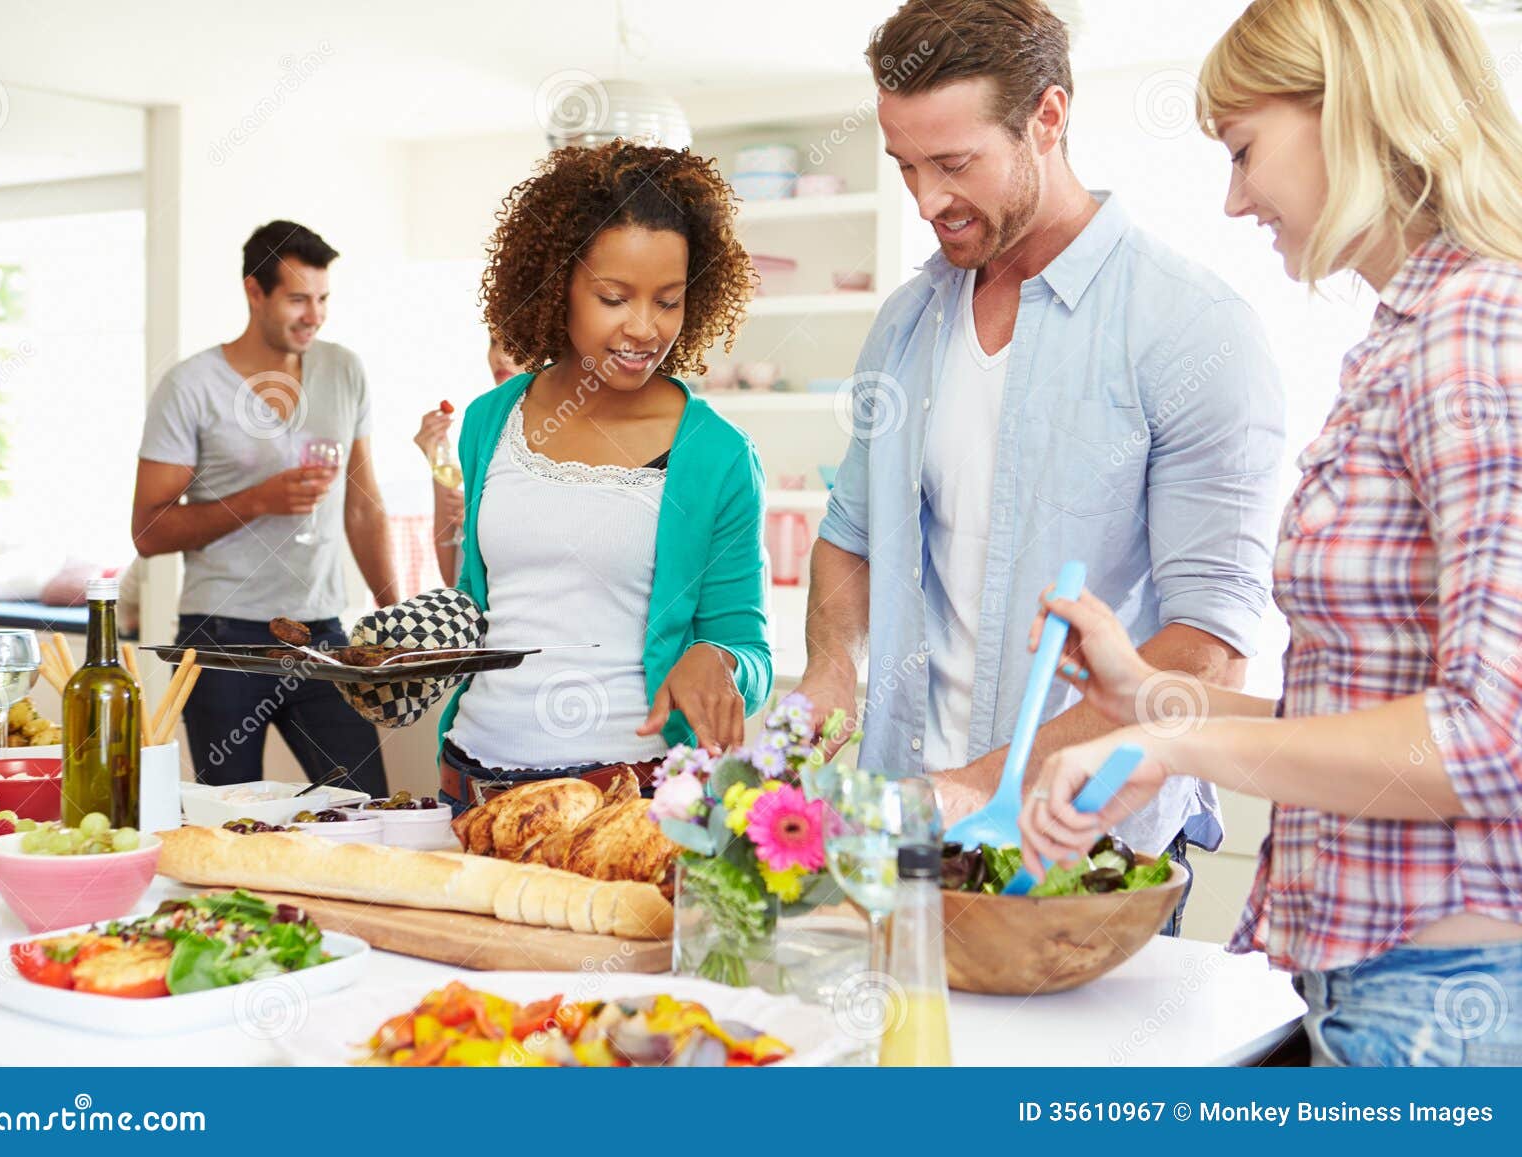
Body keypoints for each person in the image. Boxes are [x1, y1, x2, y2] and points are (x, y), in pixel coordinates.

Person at [1024, 0, 1522, 1066]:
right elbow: (1376, 710)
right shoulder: (1404, 340)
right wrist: (1154, 697)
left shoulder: (1477, 331)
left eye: (1246, 149)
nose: (1235, 196)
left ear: (1352, 110)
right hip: (1389, 988)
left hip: (1453, 1005)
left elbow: (1493, 736)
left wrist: (1172, 743)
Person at [793, 0, 1285, 932]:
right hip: (908, 834)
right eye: (905, 165)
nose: (927, 199)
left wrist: (982, 787)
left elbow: (1206, 645)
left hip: (1086, 853)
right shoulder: (903, 325)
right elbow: (849, 535)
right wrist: (830, 669)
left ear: (1048, 118)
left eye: (954, 163)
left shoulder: (1192, 329)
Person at [431, 140, 770, 813]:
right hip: (469, 785)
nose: (644, 328)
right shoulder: (487, 422)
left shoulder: (717, 455)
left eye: (668, 301)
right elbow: (481, 602)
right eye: (614, 297)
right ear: (559, 284)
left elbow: (748, 647)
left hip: (626, 800)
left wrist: (720, 660)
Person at [133, 220, 396, 795]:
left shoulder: (344, 369)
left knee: (367, 805)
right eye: (298, 299)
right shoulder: (191, 386)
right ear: (255, 291)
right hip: (220, 639)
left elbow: (363, 507)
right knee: (230, 820)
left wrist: (392, 611)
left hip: (322, 632)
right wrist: (260, 500)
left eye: (323, 298)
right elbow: (149, 530)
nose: (315, 315)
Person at [412, 335, 525, 587]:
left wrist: (485, 522)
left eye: (517, 342)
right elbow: (454, 575)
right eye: (494, 341)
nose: (502, 356)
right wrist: (437, 453)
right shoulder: (484, 425)